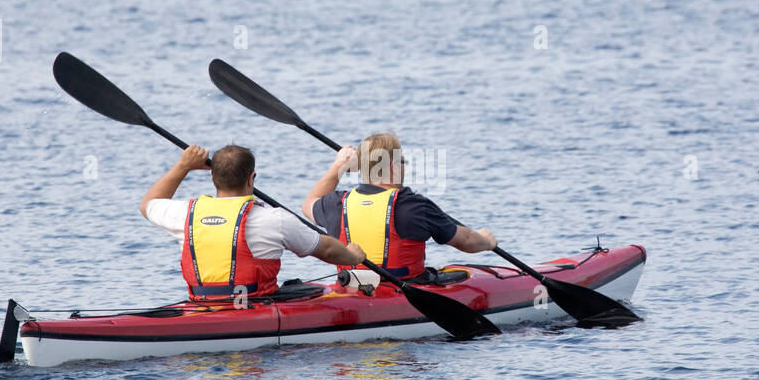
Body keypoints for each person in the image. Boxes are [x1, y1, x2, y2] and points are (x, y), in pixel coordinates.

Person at [141, 144, 365, 302]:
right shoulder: (274, 219)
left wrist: (183, 166)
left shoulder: (184, 214)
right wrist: (351, 255)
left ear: (212, 178)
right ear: (251, 178)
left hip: (202, 305)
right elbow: (324, 248)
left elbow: (149, 204)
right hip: (255, 308)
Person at [303, 133, 497, 282]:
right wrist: (486, 241)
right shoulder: (414, 206)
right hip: (404, 290)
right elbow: (467, 241)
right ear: (394, 166)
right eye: (403, 161)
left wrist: (338, 166)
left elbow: (308, 203)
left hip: (352, 288)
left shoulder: (336, 203)